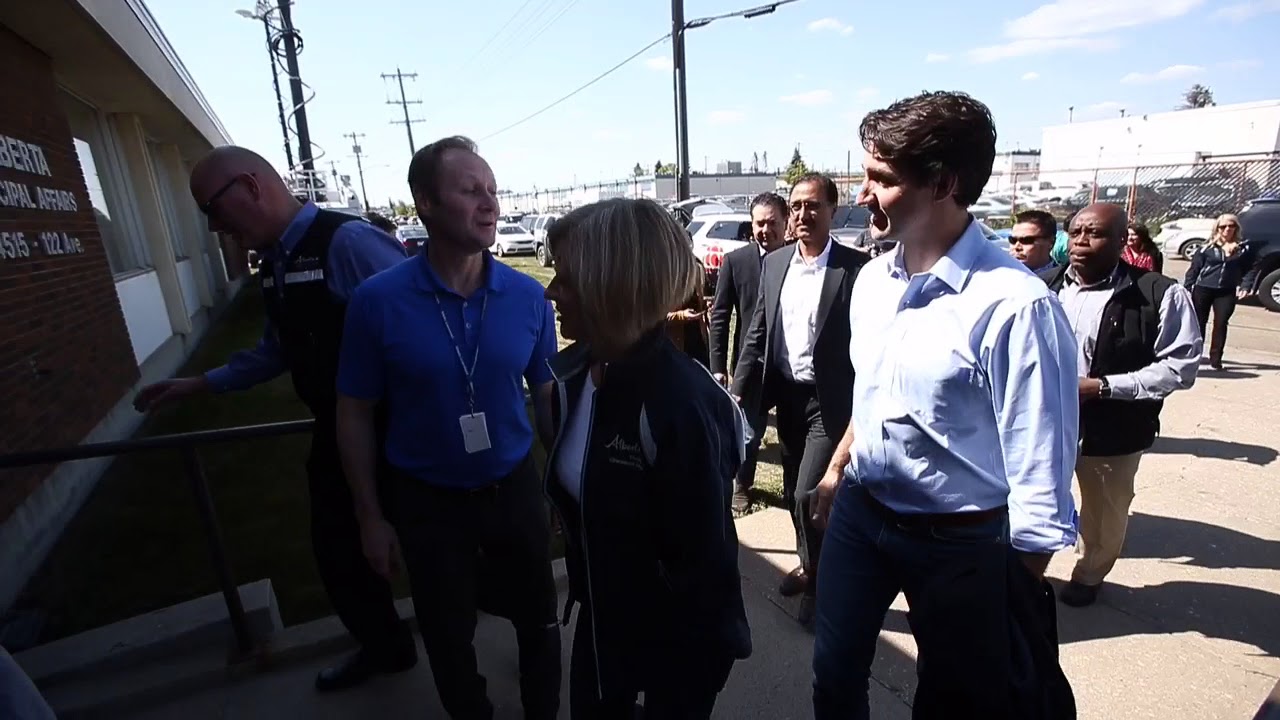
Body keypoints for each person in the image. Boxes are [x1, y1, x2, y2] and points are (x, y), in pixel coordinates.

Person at [810, 91, 1080, 719]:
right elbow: (873, 393)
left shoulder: (1016, 306)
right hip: (862, 514)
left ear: (945, 183)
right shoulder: (873, 282)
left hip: (961, 544)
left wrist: (1012, 593)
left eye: (881, 178)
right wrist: (837, 468)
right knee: (833, 669)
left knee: (954, 700)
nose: (862, 194)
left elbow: (1041, 469)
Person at [133, 145, 414, 693]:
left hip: (401, 429)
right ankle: (388, 649)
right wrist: (197, 383)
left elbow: (422, 324)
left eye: (212, 210)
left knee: (438, 543)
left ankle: (494, 638)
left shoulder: (348, 242)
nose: (214, 228)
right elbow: (276, 349)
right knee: (339, 551)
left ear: (251, 186)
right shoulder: (276, 263)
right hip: (340, 434)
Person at [334, 135, 561, 720]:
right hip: (425, 499)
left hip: (512, 485)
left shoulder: (528, 296)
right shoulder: (376, 301)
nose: (490, 204)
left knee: (539, 617)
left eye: (492, 190)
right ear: (425, 203)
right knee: (446, 631)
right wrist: (369, 517)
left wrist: (561, 480)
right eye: (470, 191)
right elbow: (354, 411)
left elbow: (545, 390)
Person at [542, 198, 752, 720]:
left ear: (610, 284)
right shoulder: (571, 379)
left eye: (565, 280)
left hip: (676, 645)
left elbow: (701, 564)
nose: (551, 293)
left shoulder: (680, 403)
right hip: (602, 620)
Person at [1043, 203, 1201, 607]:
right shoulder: (1046, 287)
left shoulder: (1159, 293)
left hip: (1111, 427)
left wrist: (1104, 387)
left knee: (1104, 510)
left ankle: (1090, 573)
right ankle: (1026, 570)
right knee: (1033, 499)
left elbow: (1179, 367)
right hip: (1044, 422)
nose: (1080, 241)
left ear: (1122, 241)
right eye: (1074, 232)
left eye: (1093, 233)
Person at [731, 173, 867, 627]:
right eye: (797, 206)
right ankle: (809, 563)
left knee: (813, 490)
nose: (804, 215)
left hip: (829, 403)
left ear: (833, 209)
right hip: (785, 396)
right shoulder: (776, 263)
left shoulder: (856, 268)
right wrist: (739, 389)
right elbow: (757, 332)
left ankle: (823, 585)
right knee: (792, 493)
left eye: (814, 206)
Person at [708, 192, 790, 514]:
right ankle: (741, 486)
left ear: (786, 224)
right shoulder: (736, 262)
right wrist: (718, 367)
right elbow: (720, 317)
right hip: (749, 366)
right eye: (759, 223)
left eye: (772, 223)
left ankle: (793, 488)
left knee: (792, 434)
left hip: (789, 366)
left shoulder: (800, 262)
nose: (765, 229)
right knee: (749, 433)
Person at [1184, 213, 1261, 369]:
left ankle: (1216, 358)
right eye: (1223, 226)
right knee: (1198, 323)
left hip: (1226, 290)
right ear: (1217, 228)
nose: (1227, 229)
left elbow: (1251, 269)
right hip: (1203, 288)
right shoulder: (1207, 248)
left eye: (1231, 226)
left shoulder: (1243, 248)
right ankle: (1195, 356)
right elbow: (1194, 269)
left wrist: (1245, 286)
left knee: (1221, 323)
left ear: (1236, 228)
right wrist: (1187, 288)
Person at [665, 257, 711, 367]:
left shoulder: (697, 266)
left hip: (699, 341)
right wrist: (681, 316)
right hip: (678, 345)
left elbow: (702, 303)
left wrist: (707, 308)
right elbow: (659, 318)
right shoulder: (670, 287)